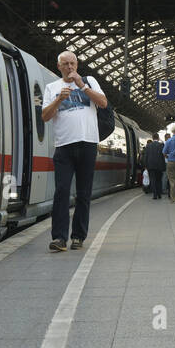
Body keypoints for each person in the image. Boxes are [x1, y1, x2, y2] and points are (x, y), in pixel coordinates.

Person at [41, 49, 108, 251]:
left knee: (83, 193)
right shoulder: (52, 87)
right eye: (65, 64)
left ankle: (78, 236)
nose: (69, 67)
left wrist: (83, 87)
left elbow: (103, 103)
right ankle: (59, 238)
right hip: (63, 146)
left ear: (77, 65)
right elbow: (44, 116)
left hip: (87, 143)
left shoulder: (90, 81)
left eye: (72, 63)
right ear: (58, 67)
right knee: (61, 191)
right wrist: (59, 99)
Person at [143, 131, 166, 200]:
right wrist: (164, 166)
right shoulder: (161, 145)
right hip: (159, 166)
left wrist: (145, 165)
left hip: (150, 166)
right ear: (158, 138)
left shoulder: (148, 145)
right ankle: (159, 194)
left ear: (152, 138)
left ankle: (155, 194)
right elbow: (163, 156)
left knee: (152, 180)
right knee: (159, 180)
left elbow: (145, 156)